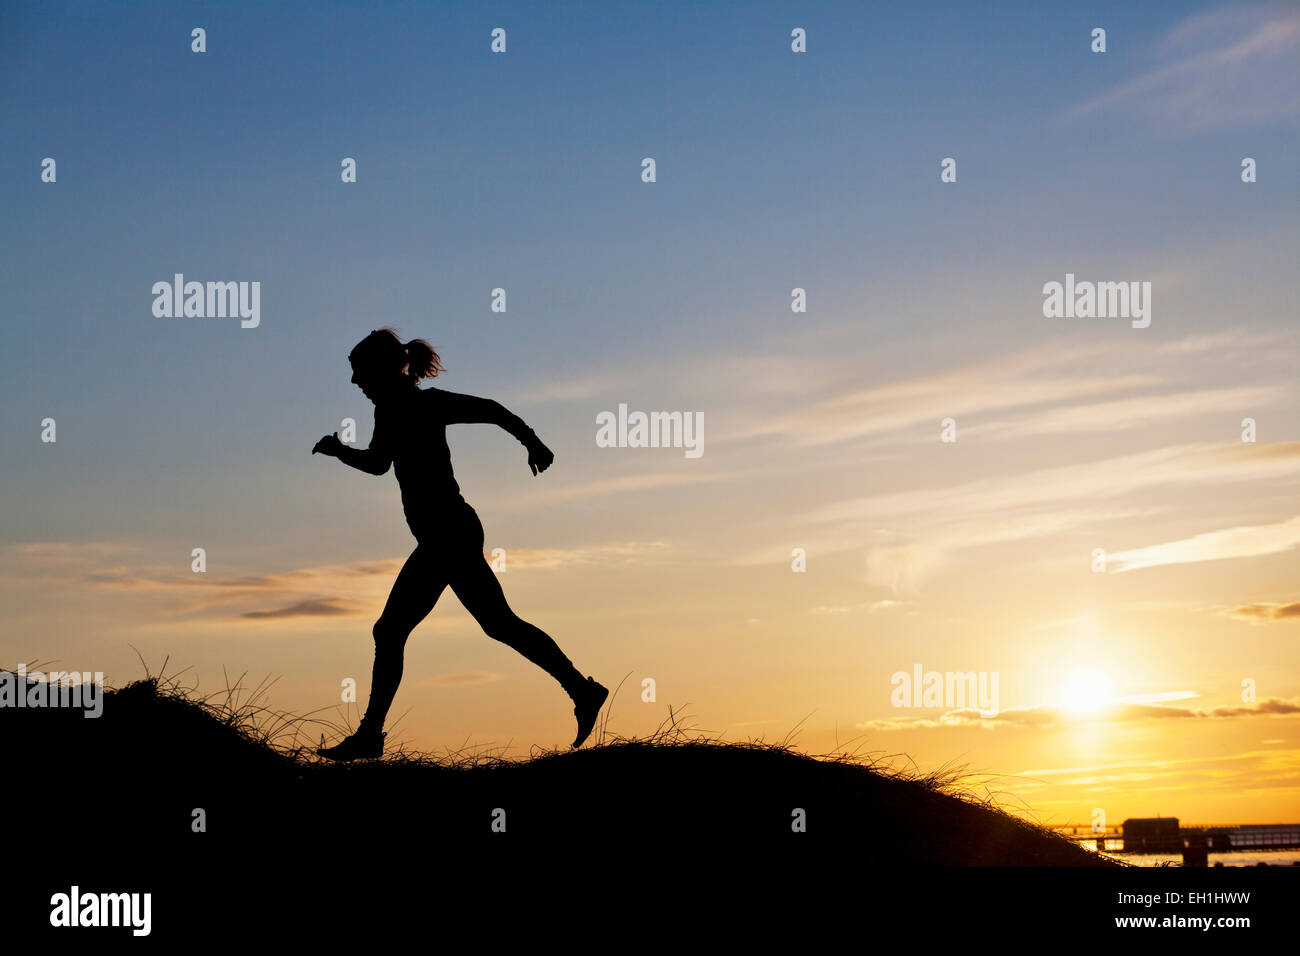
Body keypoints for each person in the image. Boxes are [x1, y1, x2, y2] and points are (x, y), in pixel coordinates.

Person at [311, 328, 608, 760]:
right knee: (498, 624)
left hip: (449, 534)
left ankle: (370, 736)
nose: (355, 383)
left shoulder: (425, 404)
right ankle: (582, 689)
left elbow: (489, 410)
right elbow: (379, 464)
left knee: (392, 630)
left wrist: (532, 441)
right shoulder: (389, 412)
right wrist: (342, 452)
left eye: (359, 373)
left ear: (380, 370)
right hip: (444, 535)